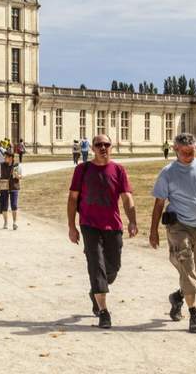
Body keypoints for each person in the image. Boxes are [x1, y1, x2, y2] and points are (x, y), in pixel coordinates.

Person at [149, 132, 196, 334]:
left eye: (192, 152)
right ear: (175, 150)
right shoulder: (168, 173)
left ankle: (178, 297)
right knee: (187, 266)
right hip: (178, 227)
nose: (189, 156)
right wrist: (153, 231)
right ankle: (194, 314)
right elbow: (159, 204)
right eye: (185, 152)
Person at [67, 134, 138, 329]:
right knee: (96, 264)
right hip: (89, 225)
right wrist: (72, 226)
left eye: (106, 144)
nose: (103, 147)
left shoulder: (118, 170)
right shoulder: (82, 170)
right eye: (99, 145)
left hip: (113, 226)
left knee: (113, 269)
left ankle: (95, 291)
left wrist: (132, 221)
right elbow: (73, 199)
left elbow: (127, 198)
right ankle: (104, 312)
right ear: (92, 148)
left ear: (111, 147)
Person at [0, 150, 22, 231]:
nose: (4, 158)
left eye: (6, 157)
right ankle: (5, 222)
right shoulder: (1, 166)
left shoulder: (17, 166)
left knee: (14, 205)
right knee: (4, 205)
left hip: (14, 186)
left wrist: (17, 176)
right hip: (4, 186)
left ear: (11, 158)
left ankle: (15, 223)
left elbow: (20, 176)